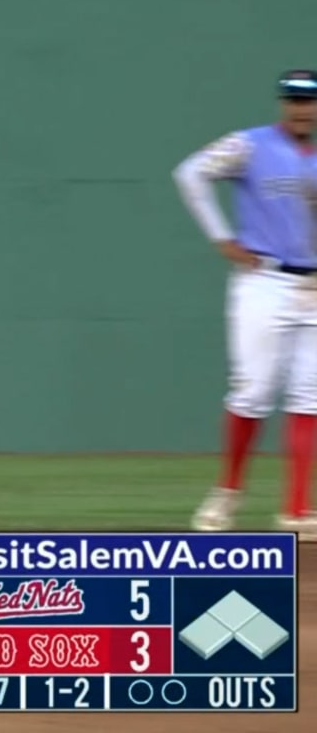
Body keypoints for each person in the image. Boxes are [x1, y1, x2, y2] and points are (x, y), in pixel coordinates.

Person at [172, 69, 317, 540]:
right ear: (282, 103)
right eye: (294, 100)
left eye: (309, 101)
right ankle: (227, 493)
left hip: (314, 287)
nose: (302, 108)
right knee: (252, 393)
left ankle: (296, 510)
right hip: (264, 281)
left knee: (309, 398)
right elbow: (191, 173)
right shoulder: (251, 146)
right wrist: (221, 237)